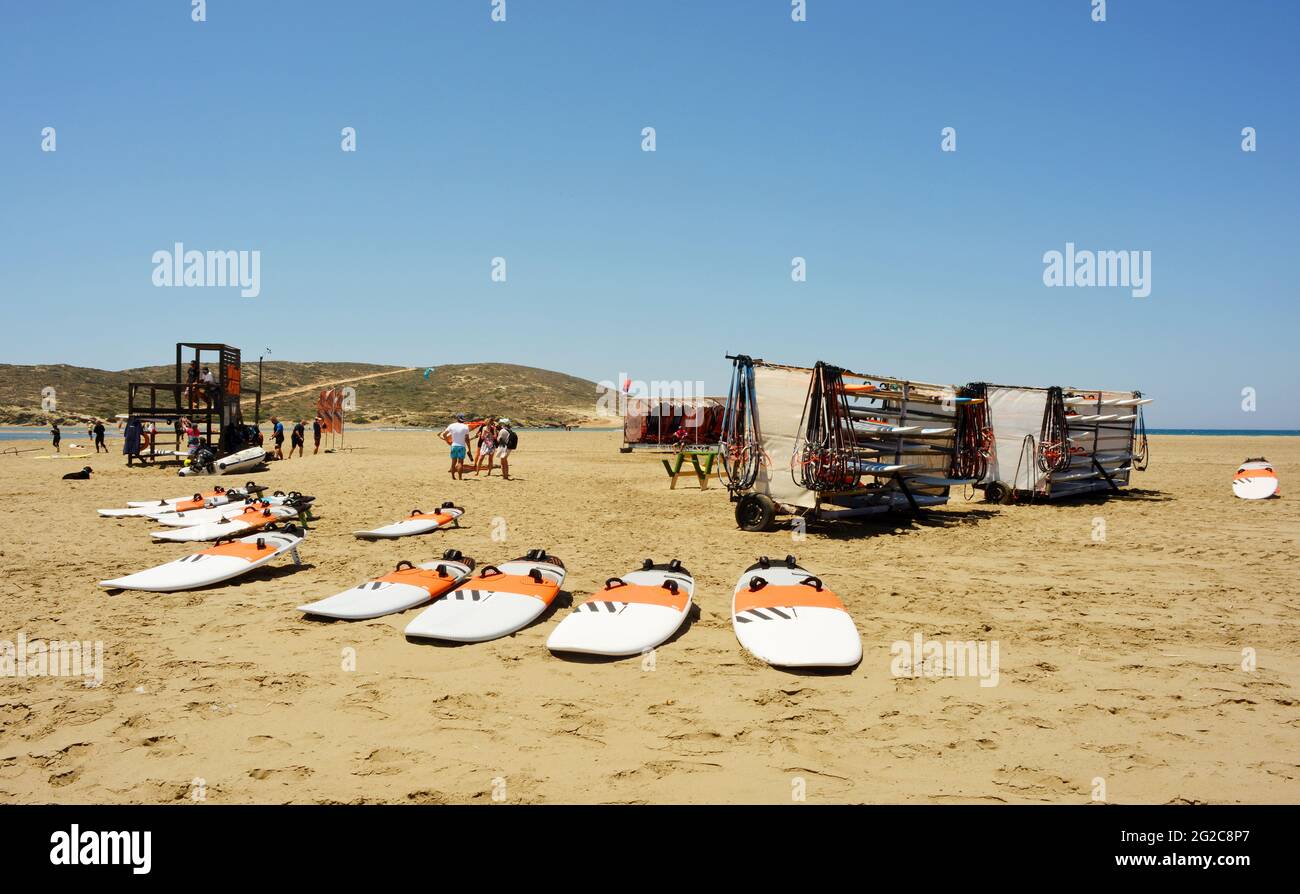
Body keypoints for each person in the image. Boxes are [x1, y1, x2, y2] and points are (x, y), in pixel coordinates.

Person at [440, 413, 471, 480]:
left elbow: (444, 434)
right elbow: (467, 439)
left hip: (454, 446)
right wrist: (469, 448)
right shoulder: (466, 427)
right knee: (460, 462)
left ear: (457, 418)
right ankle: (460, 478)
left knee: (453, 462)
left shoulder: (452, 425)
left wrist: (447, 441)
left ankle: (453, 477)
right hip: (462, 446)